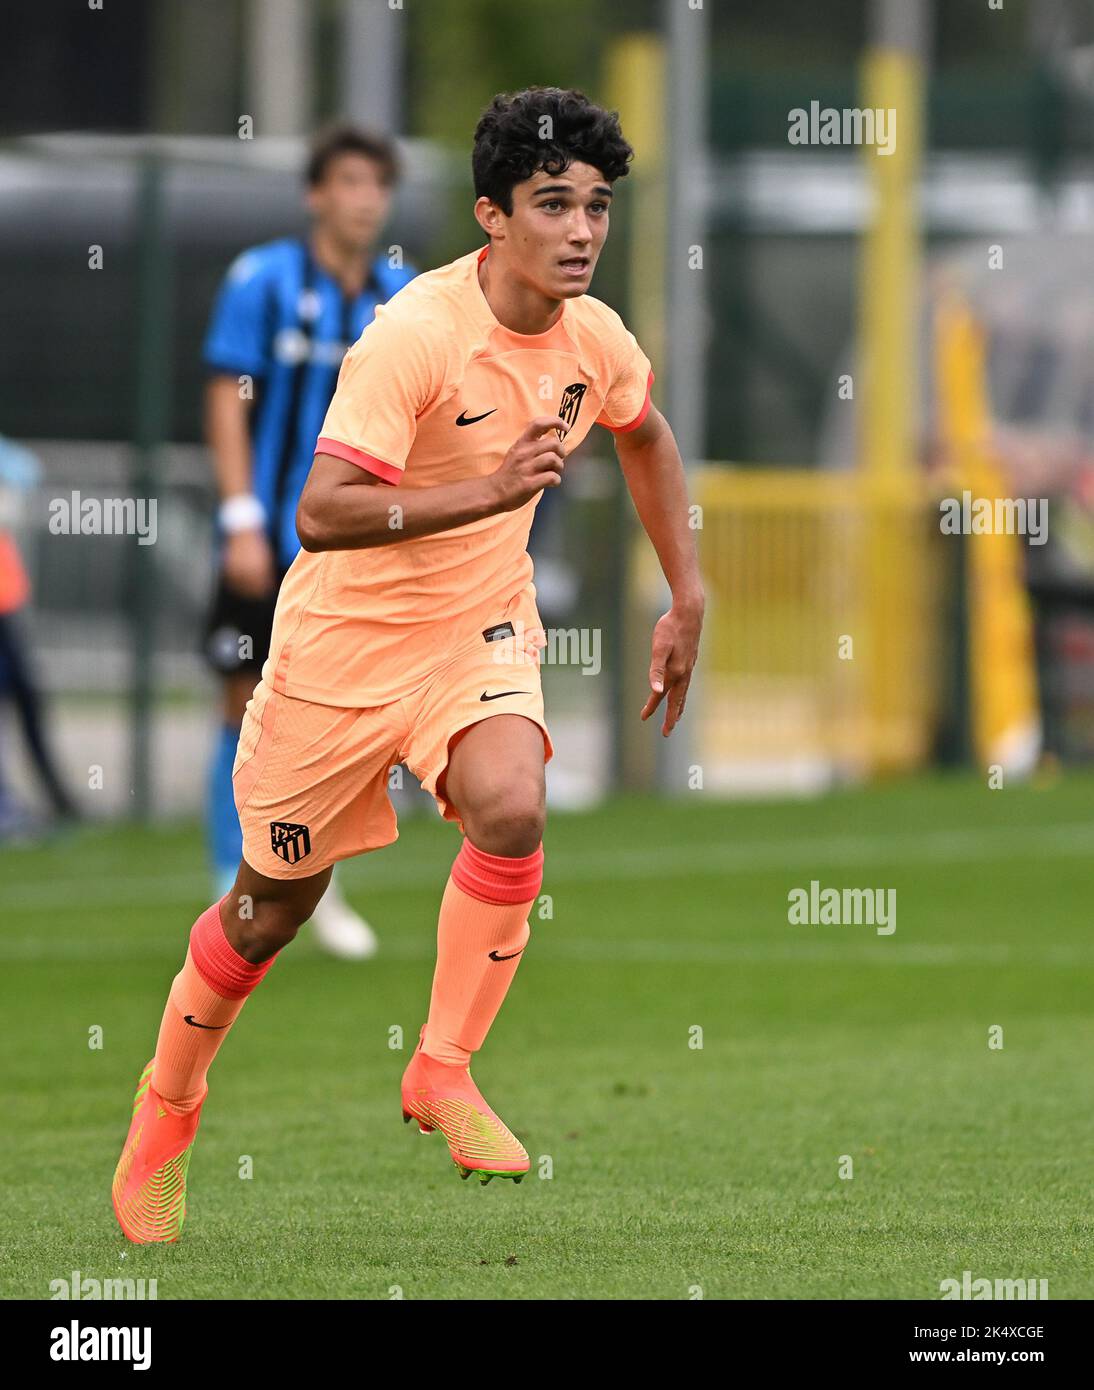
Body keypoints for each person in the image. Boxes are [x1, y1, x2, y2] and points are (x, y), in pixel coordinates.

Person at [113, 87, 704, 1243]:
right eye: (551, 205)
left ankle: (441, 1067)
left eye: (595, 207)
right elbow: (321, 510)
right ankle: (167, 1104)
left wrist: (686, 590)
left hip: (473, 632)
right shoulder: (416, 334)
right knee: (265, 912)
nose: (580, 230)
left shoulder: (596, 338)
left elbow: (643, 432)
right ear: (491, 215)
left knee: (511, 806)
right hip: (337, 651)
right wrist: (483, 489)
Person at [202, 123, 416, 958]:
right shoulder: (262, 279)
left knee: (339, 719)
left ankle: (311, 881)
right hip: (269, 529)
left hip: (349, 551)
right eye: (350, 182)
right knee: (241, 696)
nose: (364, 199)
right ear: (316, 194)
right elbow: (228, 398)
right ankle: (229, 873)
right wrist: (240, 517)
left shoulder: (397, 297)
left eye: (377, 185)